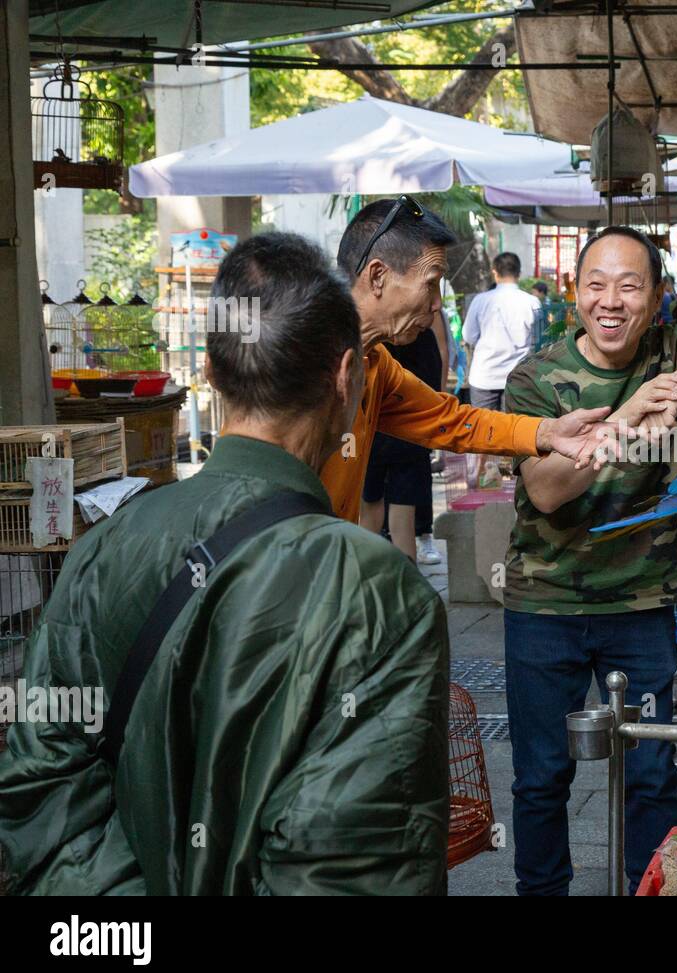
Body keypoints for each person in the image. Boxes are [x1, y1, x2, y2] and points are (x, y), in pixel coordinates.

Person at [0, 233, 452, 894]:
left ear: (210, 372)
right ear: (345, 376)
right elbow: (355, 866)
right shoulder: (382, 593)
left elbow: (40, 792)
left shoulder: (104, 545)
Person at [502, 225, 677, 895]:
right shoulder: (536, 377)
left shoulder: (672, 346)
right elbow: (544, 490)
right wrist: (625, 422)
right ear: (574, 293)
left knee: (652, 772)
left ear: (657, 296)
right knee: (542, 776)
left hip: (641, 606)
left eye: (630, 286)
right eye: (595, 284)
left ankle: (652, 888)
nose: (611, 301)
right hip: (544, 605)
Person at [326, 198, 611, 523]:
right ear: (377, 276)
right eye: (430, 283)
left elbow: (453, 420)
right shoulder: (298, 364)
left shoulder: (375, 363)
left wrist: (547, 432)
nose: (436, 305)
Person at [360, 311, 446, 565]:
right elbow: (431, 387)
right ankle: (405, 589)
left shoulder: (369, 336)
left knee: (370, 510)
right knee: (402, 517)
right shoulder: (424, 337)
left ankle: (365, 581)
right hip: (410, 435)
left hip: (372, 435)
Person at [462, 252, 542, 485]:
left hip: (484, 374)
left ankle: (476, 483)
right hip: (518, 377)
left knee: (481, 431)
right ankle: (516, 484)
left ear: (494, 272)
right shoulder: (531, 302)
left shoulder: (481, 300)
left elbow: (469, 335)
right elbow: (538, 341)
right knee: (516, 432)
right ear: (519, 273)